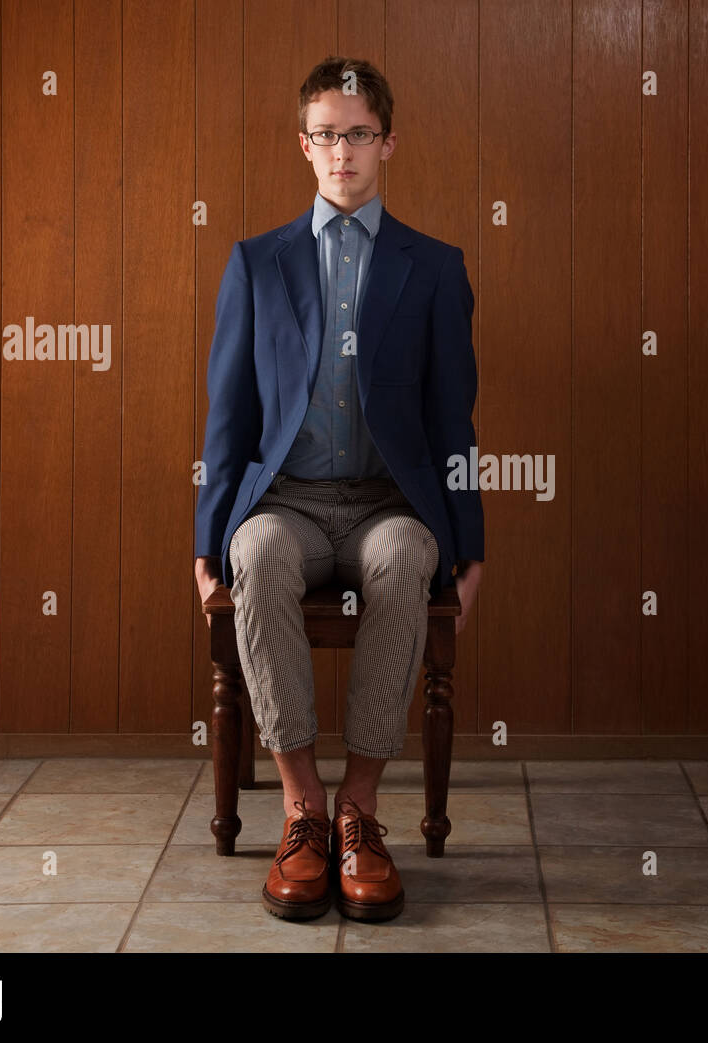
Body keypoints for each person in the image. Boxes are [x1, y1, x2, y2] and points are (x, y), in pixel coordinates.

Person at [193, 56, 483, 922]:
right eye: (326, 135)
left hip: (387, 505)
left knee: (404, 555)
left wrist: (469, 548)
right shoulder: (257, 263)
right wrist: (207, 544)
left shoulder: (434, 268)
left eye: (359, 134)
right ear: (304, 145)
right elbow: (228, 415)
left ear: (387, 142)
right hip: (286, 502)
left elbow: (453, 419)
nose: (343, 152)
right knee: (256, 552)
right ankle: (302, 809)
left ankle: (359, 809)